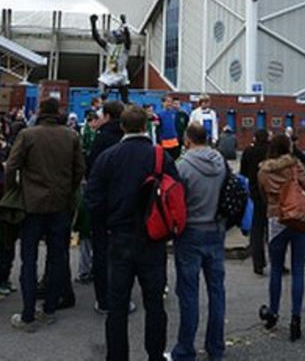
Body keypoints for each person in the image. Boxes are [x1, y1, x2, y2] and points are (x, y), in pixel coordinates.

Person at [86, 105, 179, 361]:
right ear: (145, 126)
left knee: (117, 306)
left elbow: (92, 199)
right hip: (153, 237)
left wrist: (106, 224)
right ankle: (155, 355)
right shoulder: (160, 157)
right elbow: (176, 194)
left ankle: (117, 357)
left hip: (120, 237)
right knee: (155, 305)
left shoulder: (108, 157)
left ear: (123, 127)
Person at [5, 98, 85, 331]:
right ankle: (50, 307)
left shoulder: (28, 135)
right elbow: (80, 169)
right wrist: (69, 191)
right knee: (57, 256)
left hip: (32, 204)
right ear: (58, 112)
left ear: (40, 111)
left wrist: (13, 191)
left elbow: (12, 166)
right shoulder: (71, 136)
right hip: (60, 203)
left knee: (28, 259)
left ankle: (28, 312)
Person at [171, 123, 227, 361]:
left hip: (190, 232)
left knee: (188, 294)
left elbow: (176, 203)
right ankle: (216, 348)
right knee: (217, 291)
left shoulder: (181, 166)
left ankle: (185, 350)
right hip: (216, 230)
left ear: (188, 140)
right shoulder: (221, 162)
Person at [257, 133, 305, 342]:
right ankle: (296, 318)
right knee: (298, 269)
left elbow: (263, 195)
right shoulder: (295, 165)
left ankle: (273, 312)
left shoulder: (264, 170)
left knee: (276, 270)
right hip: (297, 216)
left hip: (276, 219)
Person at [86, 100, 127, 315]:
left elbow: (91, 170)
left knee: (101, 251)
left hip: (103, 204)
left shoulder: (101, 138)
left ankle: (103, 299)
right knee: (122, 252)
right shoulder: (125, 138)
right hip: (126, 204)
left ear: (108, 116)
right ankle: (122, 296)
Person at [240, 129, 271, 275]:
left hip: (255, 193)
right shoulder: (271, 151)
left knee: (257, 230)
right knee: (273, 230)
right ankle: (277, 262)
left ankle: (258, 264)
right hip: (271, 194)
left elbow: (243, 173)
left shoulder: (248, 151)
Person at [90, 14, 132, 104]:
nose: (119, 37)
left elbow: (128, 38)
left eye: (120, 36)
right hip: (110, 73)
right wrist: (93, 24)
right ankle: (103, 108)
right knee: (103, 96)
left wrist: (124, 23)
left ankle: (128, 109)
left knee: (125, 99)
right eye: (117, 36)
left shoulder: (125, 48)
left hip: (121, 75)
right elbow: (96, 37)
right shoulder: (109, 47)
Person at [157, 94, 190, 161]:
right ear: (163, 103)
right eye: (167, 101)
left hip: (175, 142)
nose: (169, 103)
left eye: (170, 102)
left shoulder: (176, 113)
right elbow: (157, 129)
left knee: (175, 160)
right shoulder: (159, 115)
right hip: (164, 142)